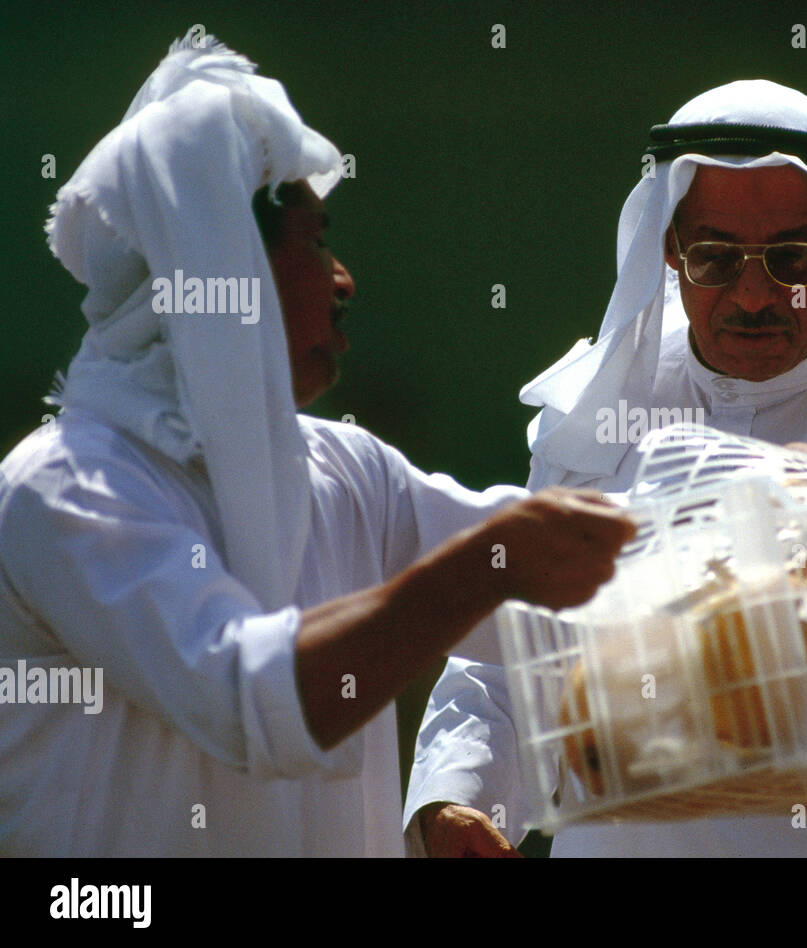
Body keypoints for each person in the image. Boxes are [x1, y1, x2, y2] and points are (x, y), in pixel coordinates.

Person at [0, 34, 633, 857]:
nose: (344, 280)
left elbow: (558, 601)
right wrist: (482, 565)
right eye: (315, 238)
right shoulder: (66, 488)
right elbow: (248, 701)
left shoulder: (345, 468)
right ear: (224, 268)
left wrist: (792, 517)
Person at [405, 79, 807, 857]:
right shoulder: (596, 413)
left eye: (791, 258)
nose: (754, 294)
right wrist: (450, 797)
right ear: (671, 252)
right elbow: (510, 652)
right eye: (716, 259)